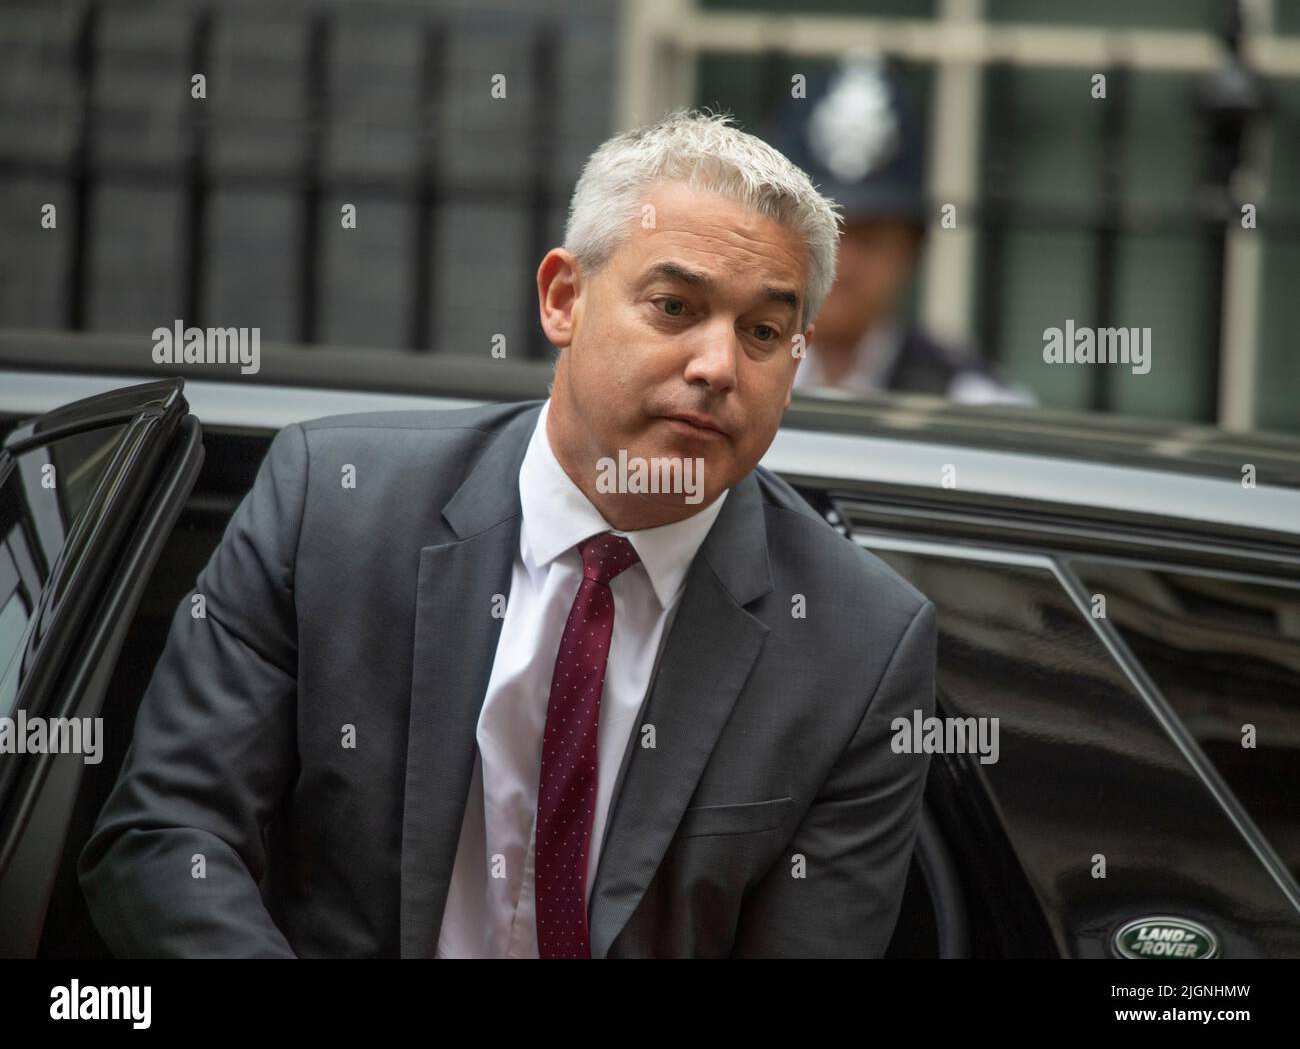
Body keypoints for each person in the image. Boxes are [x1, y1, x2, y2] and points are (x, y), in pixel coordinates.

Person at [78, 110, 938, 959]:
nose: (718, 366)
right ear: (564, 298)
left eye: (762, 332)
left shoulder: (857, 643)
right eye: (675, 306)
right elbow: (167, 838)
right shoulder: (333, 508)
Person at [772, 54, 1034, 405]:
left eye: (870, 238)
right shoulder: (734, 379)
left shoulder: (973, 404)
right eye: (824, 233)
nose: (840, 264)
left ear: (913, 248)